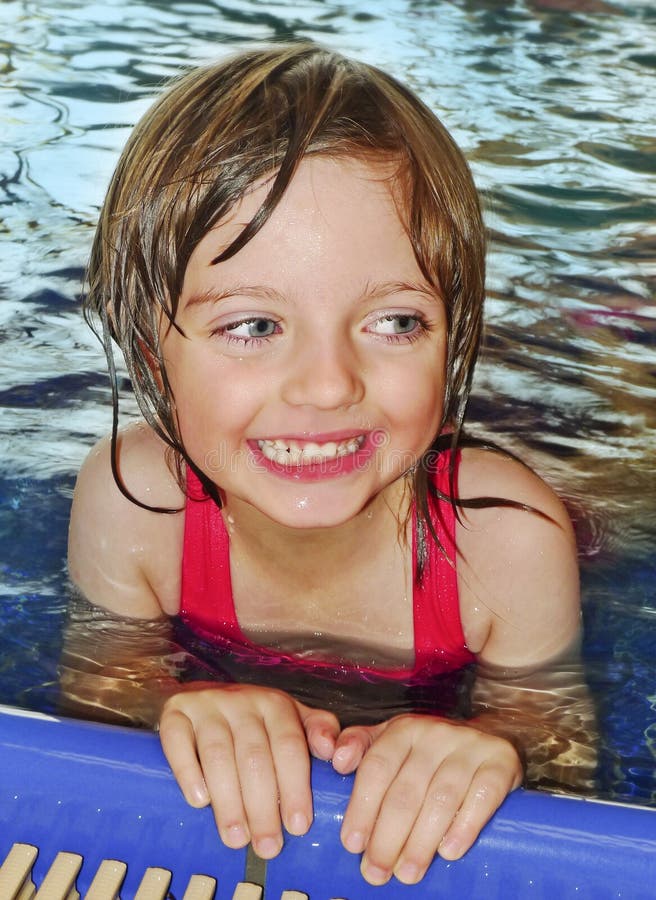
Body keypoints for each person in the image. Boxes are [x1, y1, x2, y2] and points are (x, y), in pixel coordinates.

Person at [66, 44, 586, 887]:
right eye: (254, 326)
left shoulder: (506, 541)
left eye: (395, 322)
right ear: (151, 359)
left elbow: (560, 739)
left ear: (452, 334)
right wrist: (172, 707)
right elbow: (99, 686)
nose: (328, 385)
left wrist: (497, 747)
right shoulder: (135, 506)